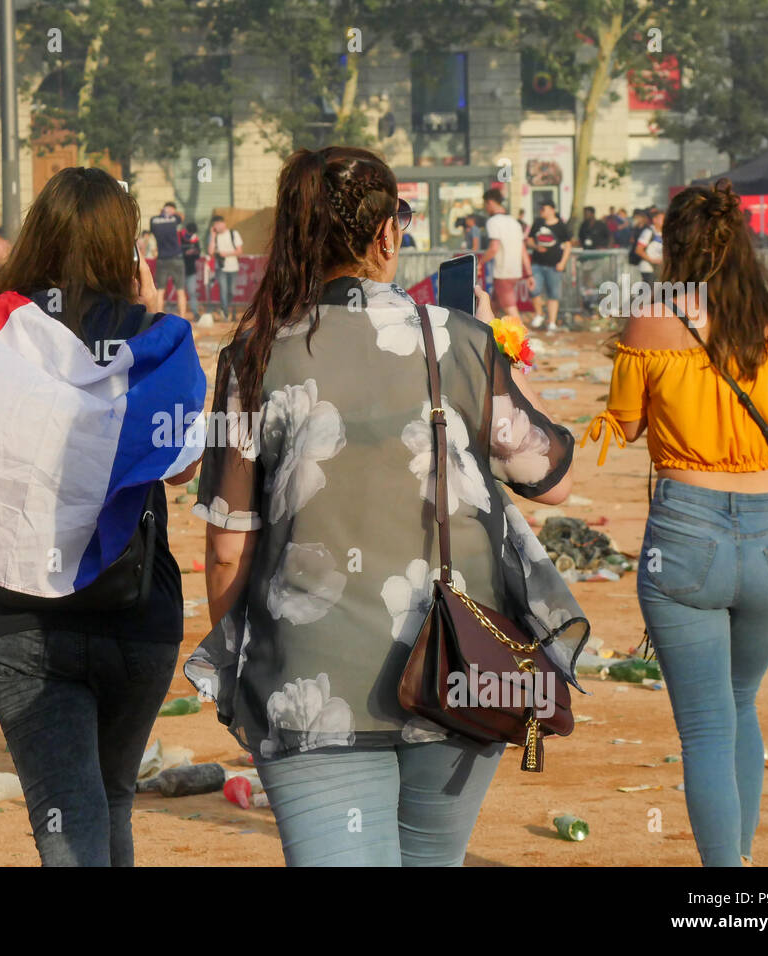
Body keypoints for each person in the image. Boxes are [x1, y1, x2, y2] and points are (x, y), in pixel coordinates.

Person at [184, 146, 584, 868]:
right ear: (386, 235)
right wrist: (497, 352)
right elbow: (546, 475)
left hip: (310, 681)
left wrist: (242, 663)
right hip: (459, 668)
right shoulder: (455, 339)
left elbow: (225, 545)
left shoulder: (252, 354)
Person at [581, 180, 768, 866]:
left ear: (673, 247)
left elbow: (627, 423)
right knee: (740, 704)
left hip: (687, 532)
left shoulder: (651, 319)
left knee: (705, 726)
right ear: (746, 246)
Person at [0, 166, 200, 866]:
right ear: (125, 249)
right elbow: (183, 460)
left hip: (22, 616)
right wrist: (151, 319)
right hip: (136, 610)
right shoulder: (153, 337)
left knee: (71, 820)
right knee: (111, 801)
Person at [478, 187, 529, 319]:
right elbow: (523, 250)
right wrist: (529, 273)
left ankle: (524, 337)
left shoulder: (493, 222)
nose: (485, 208)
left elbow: (494, 247)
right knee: (494, 305)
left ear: (490, 202)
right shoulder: (514, 222)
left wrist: (480, 263)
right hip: (515, 271)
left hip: (503, 272)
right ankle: (488, 333)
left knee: (511, 310)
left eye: (485, 205)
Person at [527, 199, 572, 332]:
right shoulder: (537, 222)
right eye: (540, 209)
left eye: (544, 208)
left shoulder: (561, 226)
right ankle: (539, 314)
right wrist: (536, 246)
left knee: (553, 294)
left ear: (552, 209)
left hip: (554, 265)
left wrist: (563, 263)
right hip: (537, 263)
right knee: (534, 289)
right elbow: (529, 240)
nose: (541, 211)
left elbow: (568, 246)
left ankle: (552, 322)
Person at [150, 202, 187, 317]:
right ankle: (183, 318)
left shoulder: (153, 220)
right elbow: (182, 216)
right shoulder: (174, 218)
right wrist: (173, 212)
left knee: (160, 290)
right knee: (180, 290)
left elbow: (153, 232)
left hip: (162, 259)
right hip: (176, 258)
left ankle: (158, 318)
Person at [207, 215, 243, 322]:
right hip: (220, 268)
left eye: (218, 224)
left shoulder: (233, 234)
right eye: (214, 225)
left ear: (223, 223)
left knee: (231, 291)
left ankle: (227, 308)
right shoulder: (214, 236)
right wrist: (212, 236)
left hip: (233, 267)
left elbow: (240, 251)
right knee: (223, 290)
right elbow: (210, 252)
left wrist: (225, 254)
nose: (216, 227)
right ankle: (225, 313)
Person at [180, 220, 202, 319]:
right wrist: (185, 253)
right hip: (180, 270)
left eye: (192, 233)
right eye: (189, 232)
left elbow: (198, 254)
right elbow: (175, 252)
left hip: (191, 270)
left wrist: (193, 252)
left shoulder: (195, 239)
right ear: (186, 230)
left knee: (192, 292)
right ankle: (181, 314)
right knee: (180, 293)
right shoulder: (179, 236)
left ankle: (195, 313)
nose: (191, 234)